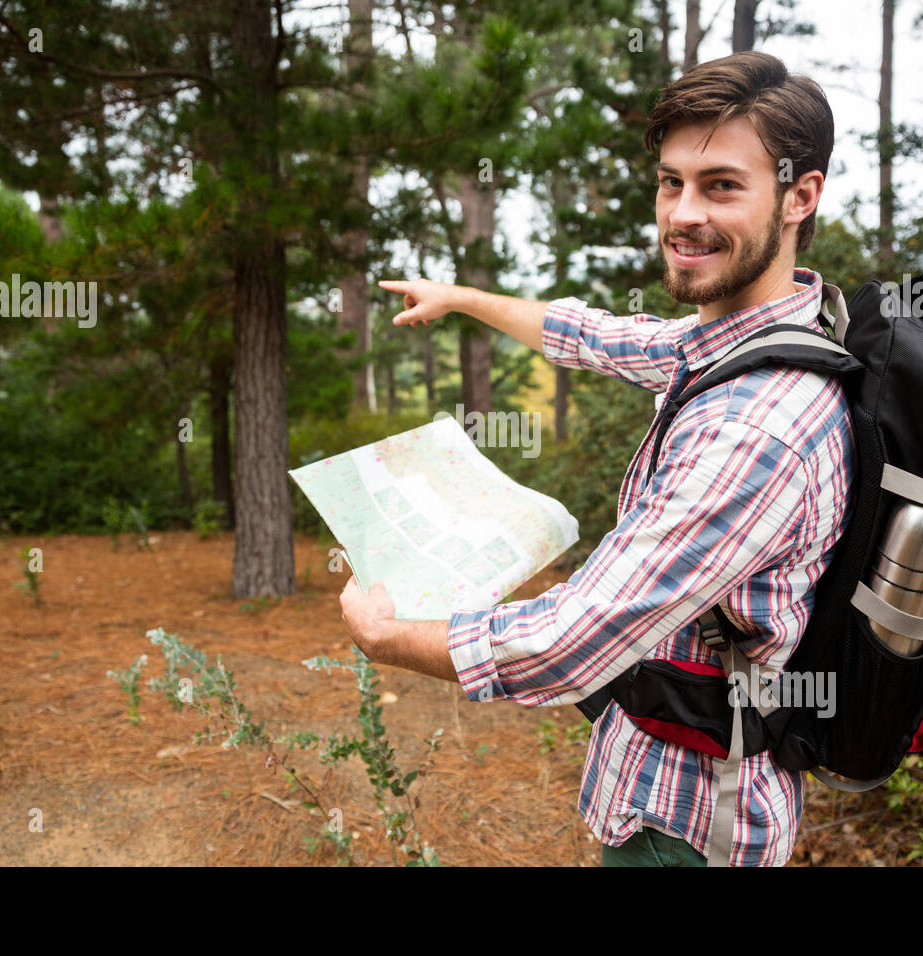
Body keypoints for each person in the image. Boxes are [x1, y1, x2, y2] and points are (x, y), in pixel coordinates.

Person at [339, 50, 854, 867]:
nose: (683, 213)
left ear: (801, 196)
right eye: (670, 181)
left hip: (686, 830)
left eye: (722, 185)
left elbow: (571, 642)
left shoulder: (759, 425)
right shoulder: (735, 340)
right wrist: (464, 298)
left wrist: (387, 637)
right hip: (656, 793)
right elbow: (595, 336)